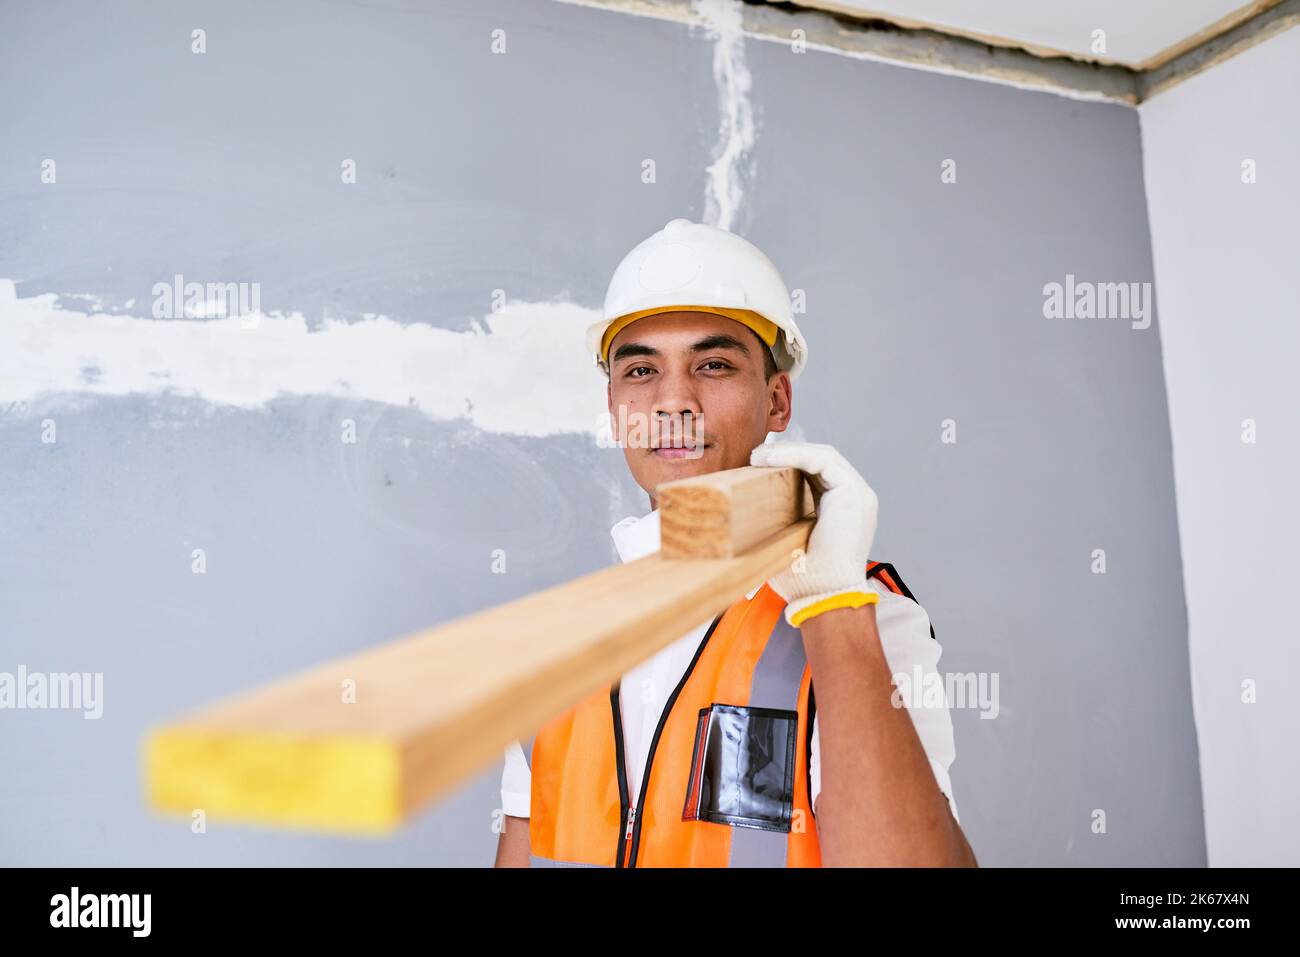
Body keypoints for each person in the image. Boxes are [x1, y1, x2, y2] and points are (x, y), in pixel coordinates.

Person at [494, 218, 976, 867]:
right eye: (640, 370)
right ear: (614, 408)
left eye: (713, 364)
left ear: (776, 400)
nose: (674, 402)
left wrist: (833, 606)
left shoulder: (867, 619)